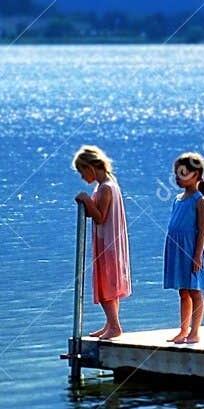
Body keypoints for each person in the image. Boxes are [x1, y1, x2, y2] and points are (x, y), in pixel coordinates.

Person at [73, 145, 131, 339]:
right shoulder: (104, 185)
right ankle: (110, 323)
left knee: (106, 283)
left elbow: (100, 216)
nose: (83, 178)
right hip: (106, 241)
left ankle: (114, 325)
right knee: (108, 283)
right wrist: (88, 203)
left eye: (82, 172)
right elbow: (94, 213)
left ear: (91, 167)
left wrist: (86, 200)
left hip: (108, 244)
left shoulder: (106, 187)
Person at [163, 151, 204, 345]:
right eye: (177, 173)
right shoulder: (177, 199)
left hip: (191, 250)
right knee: (183, 291)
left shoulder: (199, 201)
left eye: (183, 173)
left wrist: (197, 255)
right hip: (176, 249)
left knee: (194, 291)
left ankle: (195, 331)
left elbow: (201, 231)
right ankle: (183, 330)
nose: (178, 177)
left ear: (196, 176)